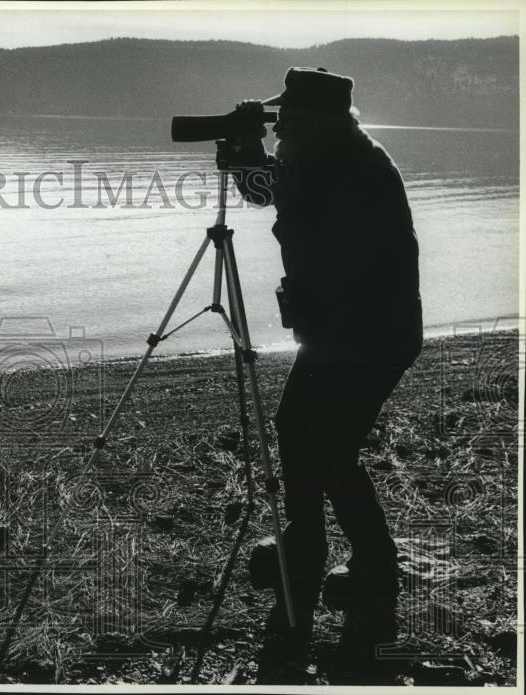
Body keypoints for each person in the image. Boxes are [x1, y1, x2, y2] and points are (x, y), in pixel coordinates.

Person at [226, 67, 423, 677]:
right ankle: (304, 542)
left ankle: (375, 564)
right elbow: (269, 192)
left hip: (371, 336)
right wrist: (242, 159)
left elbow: (295, 216)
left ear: (316, 120)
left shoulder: (352, 166)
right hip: (340, 332)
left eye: (287, 118)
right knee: (292, 428)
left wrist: (256, 163)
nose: (279, 126)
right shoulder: (326, 153)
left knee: (334, 452)